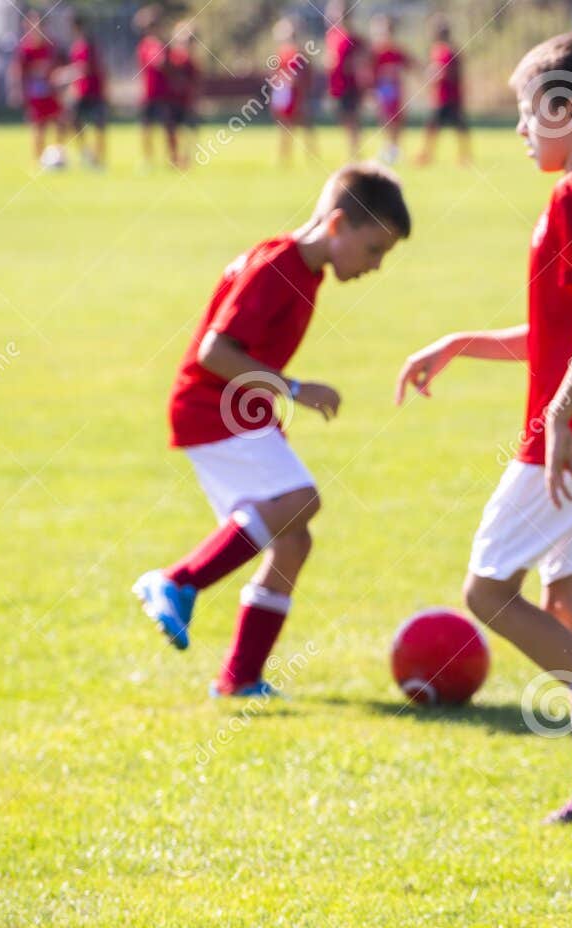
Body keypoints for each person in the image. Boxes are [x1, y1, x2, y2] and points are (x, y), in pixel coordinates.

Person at [394, 32, 572, 828]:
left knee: (487, 589)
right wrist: (460, 343)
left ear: (568, 109)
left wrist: (558, 411)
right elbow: (559, 334)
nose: (521, 128)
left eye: (529, 111)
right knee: (569, 605)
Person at [133, 165, 411, 698]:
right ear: (337, 225)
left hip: (237, 409)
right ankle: (176, 582)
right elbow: (215, 352)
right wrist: (294, 388)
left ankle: (239, 679)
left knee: (292, 540)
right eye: (374, 248)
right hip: (210, 406)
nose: (376, 265)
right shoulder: (279, 265)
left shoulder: (300, 267)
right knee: (301, 499)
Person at [11, 10, 66, 167]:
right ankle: (39, 160)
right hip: (35, 95)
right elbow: (18, 71)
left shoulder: (52, 46)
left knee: (60, 124)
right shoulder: (25, 49)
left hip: (52, 93)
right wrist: (17, 91)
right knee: (38, 127)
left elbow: (60, 66)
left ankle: (58, 156)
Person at [417, 18, 470, 166]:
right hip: (442, 96)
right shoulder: (442, 49)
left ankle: (464, 156)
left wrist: (432, 75)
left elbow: (446, 72)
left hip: (447, 97)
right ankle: (427, 155)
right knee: (435, 126)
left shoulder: (446, 51)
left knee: (455, 127)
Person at [269, 19, 317, 166]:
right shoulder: (282, 54)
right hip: (285, 95)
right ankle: (285, 158)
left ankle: (311, 156)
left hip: (298, 96)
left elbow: (306, 77)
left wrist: (303, 93)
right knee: (285, 127)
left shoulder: (300, 55)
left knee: (306, 126)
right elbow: (275, 75)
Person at [134, 5, 176, 168]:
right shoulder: (145, 45)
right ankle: (147, 159)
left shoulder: (164, 45)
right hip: (148, 94)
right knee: (146, 128)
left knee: (168, 126)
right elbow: (155, 63)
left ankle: (172, 158)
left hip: (163, 93)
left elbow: (167, 66)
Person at [63, 12, 107, 168]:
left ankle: (99, 159)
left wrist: (63, 75)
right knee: (72, 121)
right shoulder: (78, 45)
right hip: (81, 92)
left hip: (92, 91)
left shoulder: (87, 45)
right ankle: (86, 153)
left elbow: (84, 68)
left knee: (99, 126)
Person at [368, 14, 412, 164]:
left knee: (396, 119)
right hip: (382, 89)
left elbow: (410, 64)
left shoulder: (396, 51)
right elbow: (370, 72)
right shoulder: (375, 52)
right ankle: (387, 147)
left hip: (395, 89)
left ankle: (395, 149)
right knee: (384, 119)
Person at [325, 0, 366, 158]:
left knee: (352, 118)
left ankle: (355, 152)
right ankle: (353, 150)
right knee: (343, 118)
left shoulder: (354, 38)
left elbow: (361, 60)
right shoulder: (332, 35)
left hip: (350, 86)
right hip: (337, 85)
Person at [166, 21, 202, 168]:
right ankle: (173, 159)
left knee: (188, 132)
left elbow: (195, 82)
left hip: (186, 101)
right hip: (172, 100)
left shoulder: (192, 60)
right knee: (172, 131)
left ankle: (185, 159)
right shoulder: (172, 55)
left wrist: (195, 100)